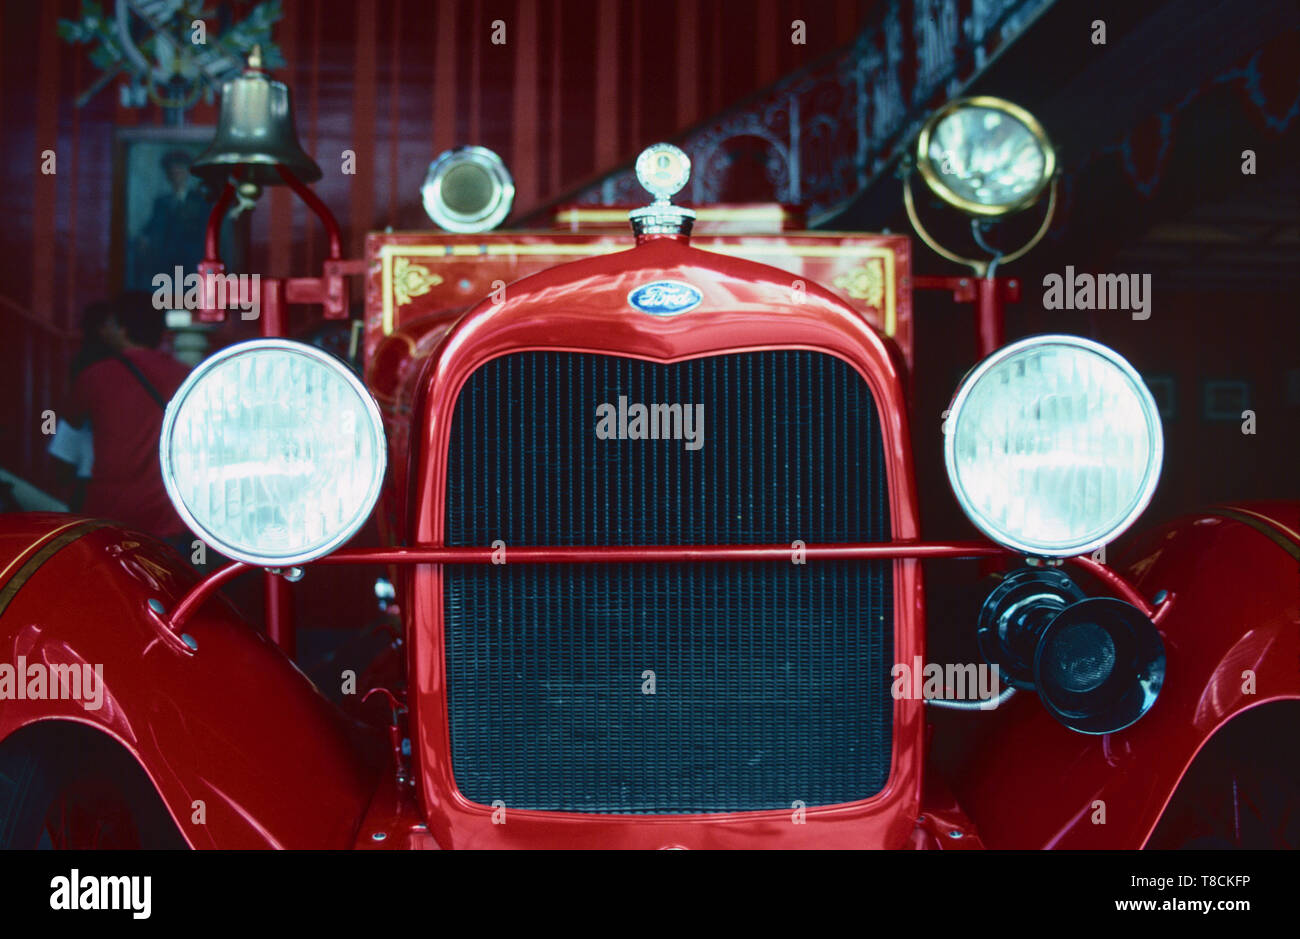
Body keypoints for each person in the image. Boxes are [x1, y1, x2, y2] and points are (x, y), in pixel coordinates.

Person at [71, 292, 191, 544]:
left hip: (110, 513)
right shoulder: (186, 376)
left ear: (122, 328)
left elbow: (68, 434)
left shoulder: (93, 376)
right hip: (171, 512)